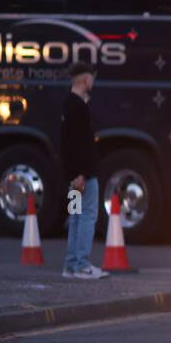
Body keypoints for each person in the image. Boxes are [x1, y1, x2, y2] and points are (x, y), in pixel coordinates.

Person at [60, 62, 107, 279]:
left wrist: (71, 175)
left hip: (73, 177)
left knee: (75, 217)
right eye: (92, 79)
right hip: (84, 176)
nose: (93, 83)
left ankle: (71, 265)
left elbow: (66, 144)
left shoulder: (67, 104)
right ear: (86, 79)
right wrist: (82, 174)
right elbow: (82, 144)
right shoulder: (79, 107)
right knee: (87, 216)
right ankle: (82, 265)